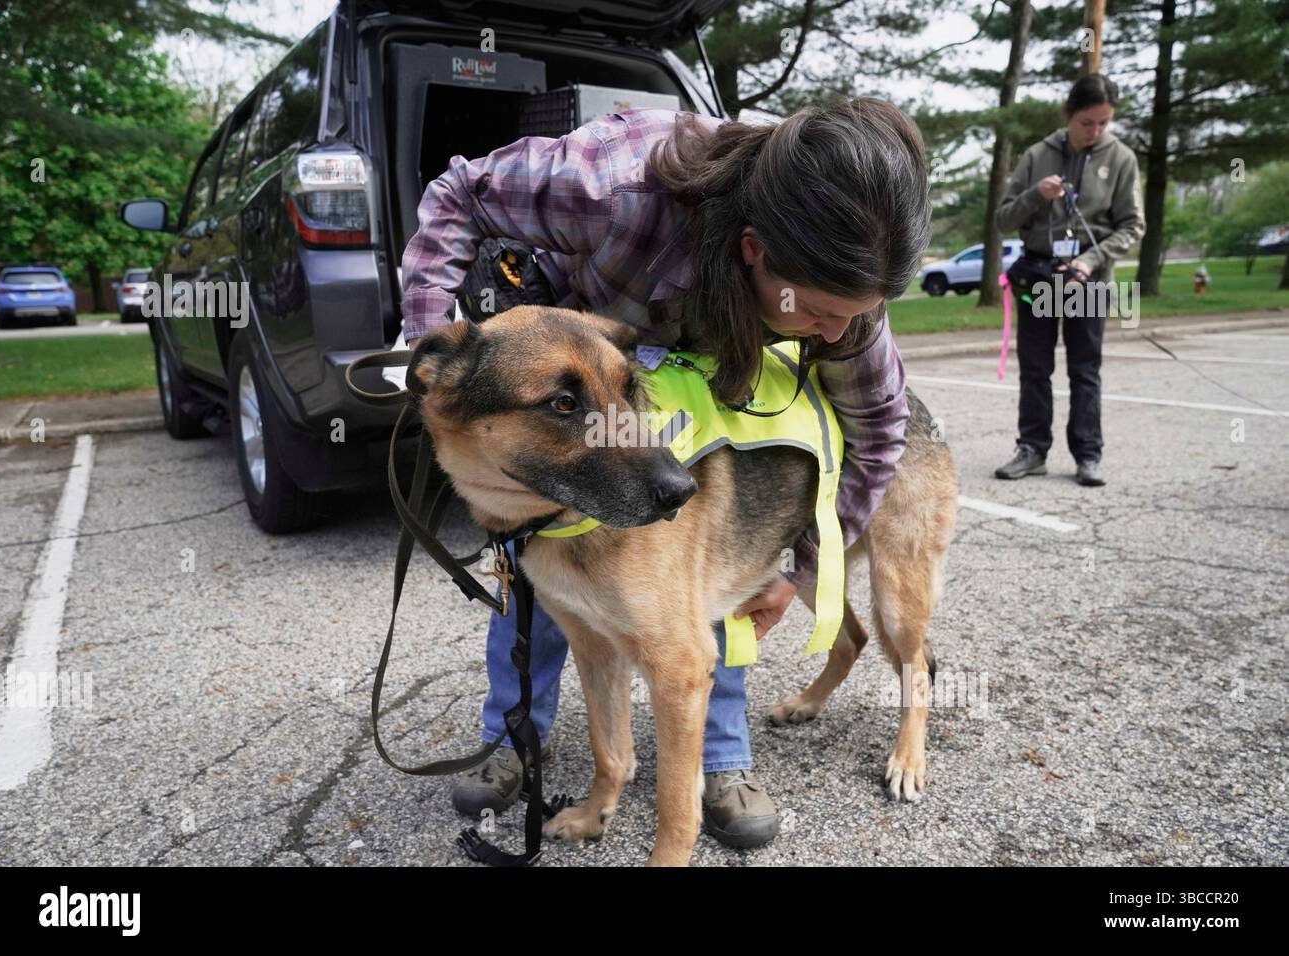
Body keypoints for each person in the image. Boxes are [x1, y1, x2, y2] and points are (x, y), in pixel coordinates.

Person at [399, 99, 930, 848]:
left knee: (691, 611)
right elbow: (458, 194)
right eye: (816, 310)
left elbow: (879, 431)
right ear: (754, 249)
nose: (840, 335)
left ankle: (724, 762)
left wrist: (800, 564)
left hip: (667, 379)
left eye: (858, 315)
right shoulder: (610, 186)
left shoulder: (846, 288)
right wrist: (430, 360)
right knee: (547, 583)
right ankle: (517, 739)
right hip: (569, 344)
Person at [994, 73, 1145, 487]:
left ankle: (1087, 455)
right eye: (1086, 123)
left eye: (1103, 123)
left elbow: (1133, 226)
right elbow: (1003, 219)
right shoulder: (1037, 155)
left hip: (1087, 280)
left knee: (1085, 370)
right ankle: (1032, 450)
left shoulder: (1121, 159)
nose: (1094, 132)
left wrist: (1089, 261)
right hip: (1041, 275)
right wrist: (1034, 196)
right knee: (1035, 368)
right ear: (1069, 115)